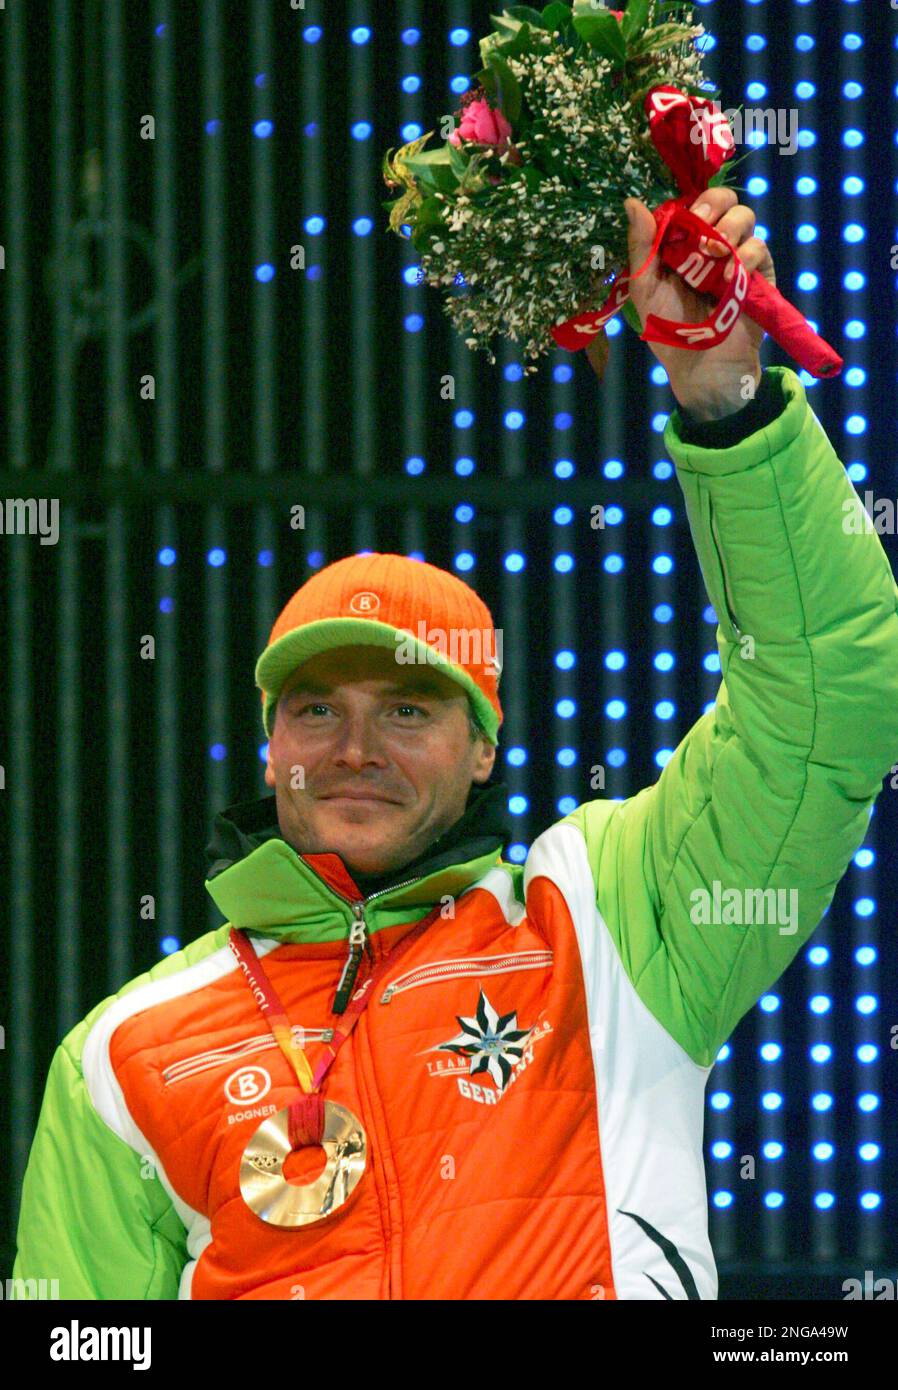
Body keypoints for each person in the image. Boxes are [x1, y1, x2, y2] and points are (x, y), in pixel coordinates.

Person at [12, 190, 898, 1299]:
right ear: (268, 739)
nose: (355, 747)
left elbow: (823, 707)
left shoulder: (610, 919)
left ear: (484, 749)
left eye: (409, 710)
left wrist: (722, 398)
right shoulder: (123, 1054)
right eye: (318, 709)